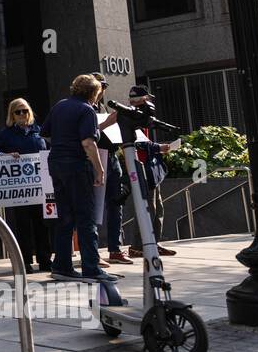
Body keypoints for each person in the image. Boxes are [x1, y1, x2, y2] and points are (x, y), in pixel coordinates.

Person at [40, 75, 116, 284]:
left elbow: (44, 132)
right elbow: (88, 143)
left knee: (64, 218)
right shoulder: (87, 110)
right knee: (85, 217)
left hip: (56, 165)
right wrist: (99, 170)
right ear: (94, 93)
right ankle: (92, 268)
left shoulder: (60, 106)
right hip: (76, 166)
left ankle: (62, 266)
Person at [0, 97, 50, 273]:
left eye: (25, 110)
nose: (22, 114)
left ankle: (45, 260)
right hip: (19, 191)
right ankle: (25, 262)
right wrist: (6, 156)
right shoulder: (5, 134)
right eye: (18, 111)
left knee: (42, 225)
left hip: (40, 187)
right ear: (12, 115)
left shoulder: (39, 131)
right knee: (22, 226)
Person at [123, 85, 176, 257]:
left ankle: (154, 243)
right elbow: (139, 142)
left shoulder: (143, 117)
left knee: (157, 207)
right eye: (146, 99)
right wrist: (159, 147)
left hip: (150, 167)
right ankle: (138, 246)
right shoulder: (129, 116)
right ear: (138, 100)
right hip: (140, 167)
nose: (149, 103)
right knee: (147, 208)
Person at [91, 74, 130, 266]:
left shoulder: (104, 108)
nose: (101, 90)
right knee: (93, 207)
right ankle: (92, 252)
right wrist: (107, 124)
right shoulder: (84, 108)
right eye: (98, 86)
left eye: (104, 86)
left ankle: (115, 248)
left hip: (112, 156)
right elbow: (86, 135)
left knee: (116, 203)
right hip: (93, 158)